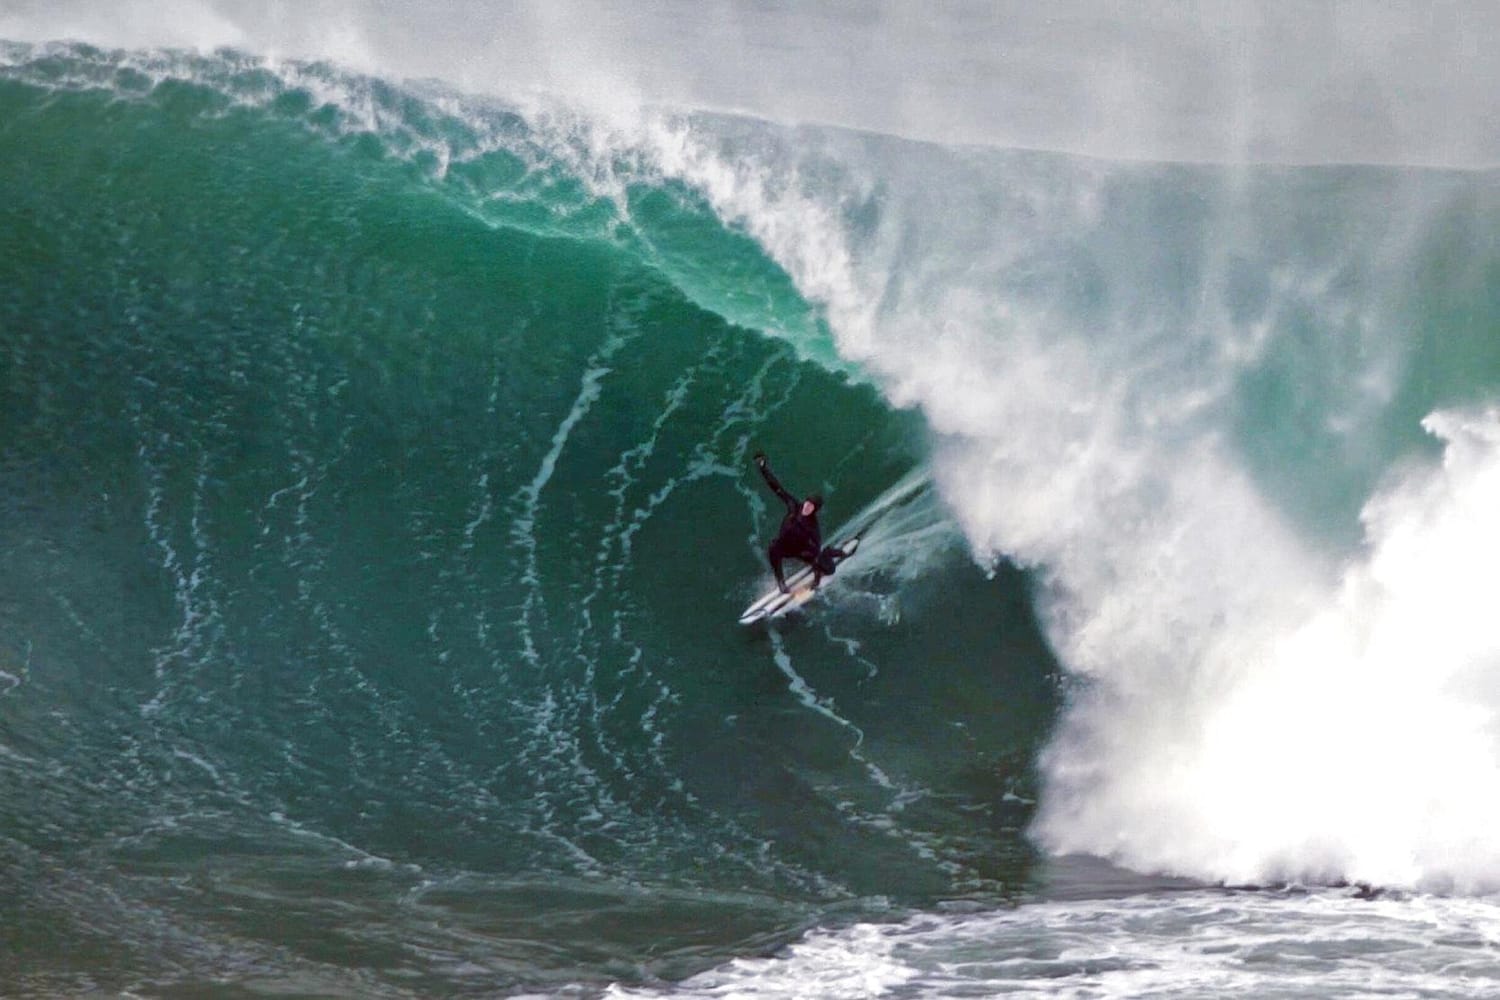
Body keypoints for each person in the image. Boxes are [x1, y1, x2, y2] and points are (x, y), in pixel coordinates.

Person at [753, 451, 847, 593]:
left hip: (801, 550)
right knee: (773, 548)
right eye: (807, 503)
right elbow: (776, 487)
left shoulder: (812, 526)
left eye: (811, 506)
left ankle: (829, 552)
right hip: (785, 546)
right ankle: (781, 582)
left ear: (815, 510)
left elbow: (815, 550)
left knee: (829, 570)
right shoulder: (793, 505)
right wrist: (763, 468)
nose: (807, 507)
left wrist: (816, 579)